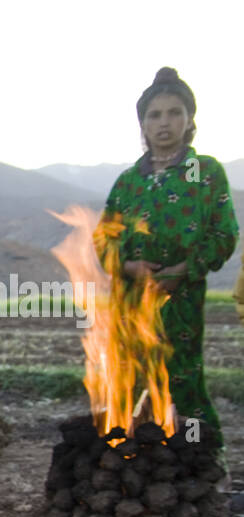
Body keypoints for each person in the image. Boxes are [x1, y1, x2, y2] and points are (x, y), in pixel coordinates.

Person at [94, 68, 238, 452]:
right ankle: (122, 462)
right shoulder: (129, 182)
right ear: (142, 123)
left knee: (183, 386)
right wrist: (127, 266)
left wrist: (183, 271)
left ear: (190, 120)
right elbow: (102, 239)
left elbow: (224, 234)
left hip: (181, 305)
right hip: (130, 305)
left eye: (174, 112)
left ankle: (200, 462)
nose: (164, 122)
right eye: (154, 115)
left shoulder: (203, 173)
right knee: (125, 387)